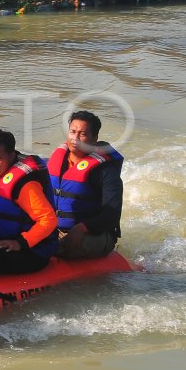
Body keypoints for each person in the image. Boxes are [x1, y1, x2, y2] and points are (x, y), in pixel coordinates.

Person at [0, 128, 58, 275]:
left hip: (32, 250)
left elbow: (48, 220)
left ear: (11, 155)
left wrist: (20, 243)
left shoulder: (24, 184)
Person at [47, 110, 124, 259]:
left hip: (95, 233)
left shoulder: (106, 171)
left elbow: (111, 215)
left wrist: (83, 228)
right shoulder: (55, 161)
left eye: (82, 134)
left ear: (94, 139)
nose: (75, 138)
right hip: (56, 229)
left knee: (61, 248)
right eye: (72, 132)